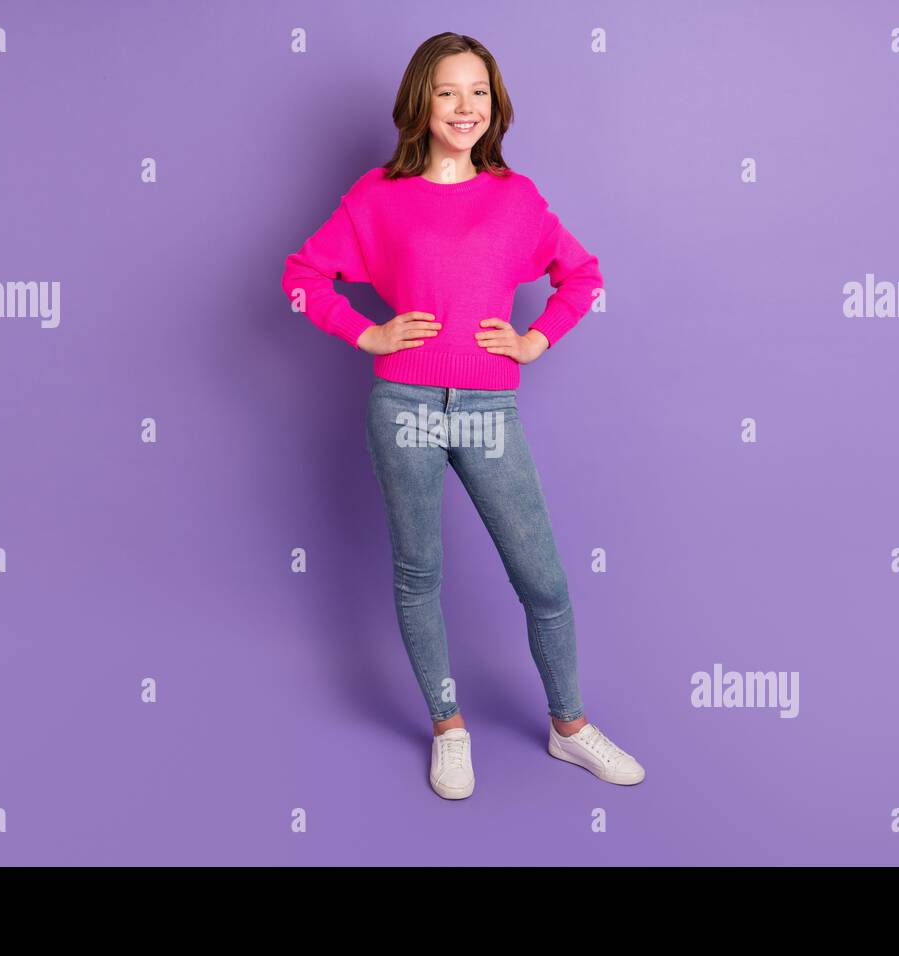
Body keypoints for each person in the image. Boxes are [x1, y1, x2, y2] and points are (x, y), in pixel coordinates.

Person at [281, 32, 644, 799]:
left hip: (487, 409)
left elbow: (581, 275)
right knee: (419, 576)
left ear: (496, 104)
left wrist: (535, 339)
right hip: (405, 406)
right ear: (422, 100)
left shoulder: (516, 197)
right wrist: (368, 332)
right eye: (449, 91)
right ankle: (449, 727)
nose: (465, 107)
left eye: (479, 91)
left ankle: (569, 728)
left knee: (541, 579)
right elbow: (302, 275)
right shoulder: (377, 193)